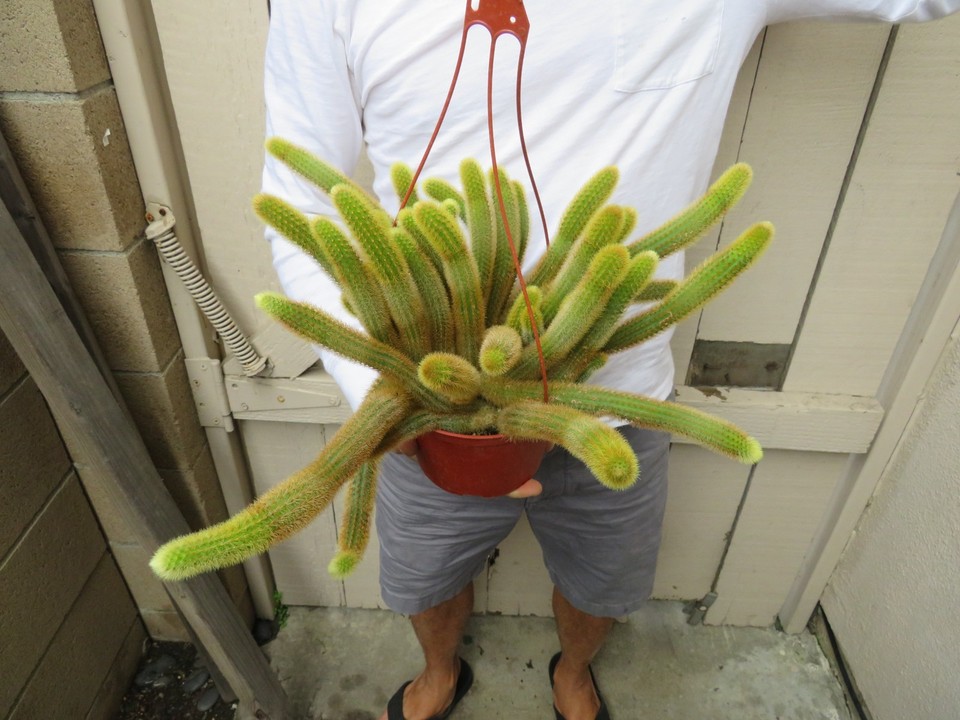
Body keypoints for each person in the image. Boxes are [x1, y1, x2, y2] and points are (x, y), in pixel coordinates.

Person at [261, 2, 960, 718]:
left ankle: (574, 672)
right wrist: (382, 392)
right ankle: (438, 671)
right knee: (425, 576)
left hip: (617, 396)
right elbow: (295, 197)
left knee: (604, 580)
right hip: (436, 401)